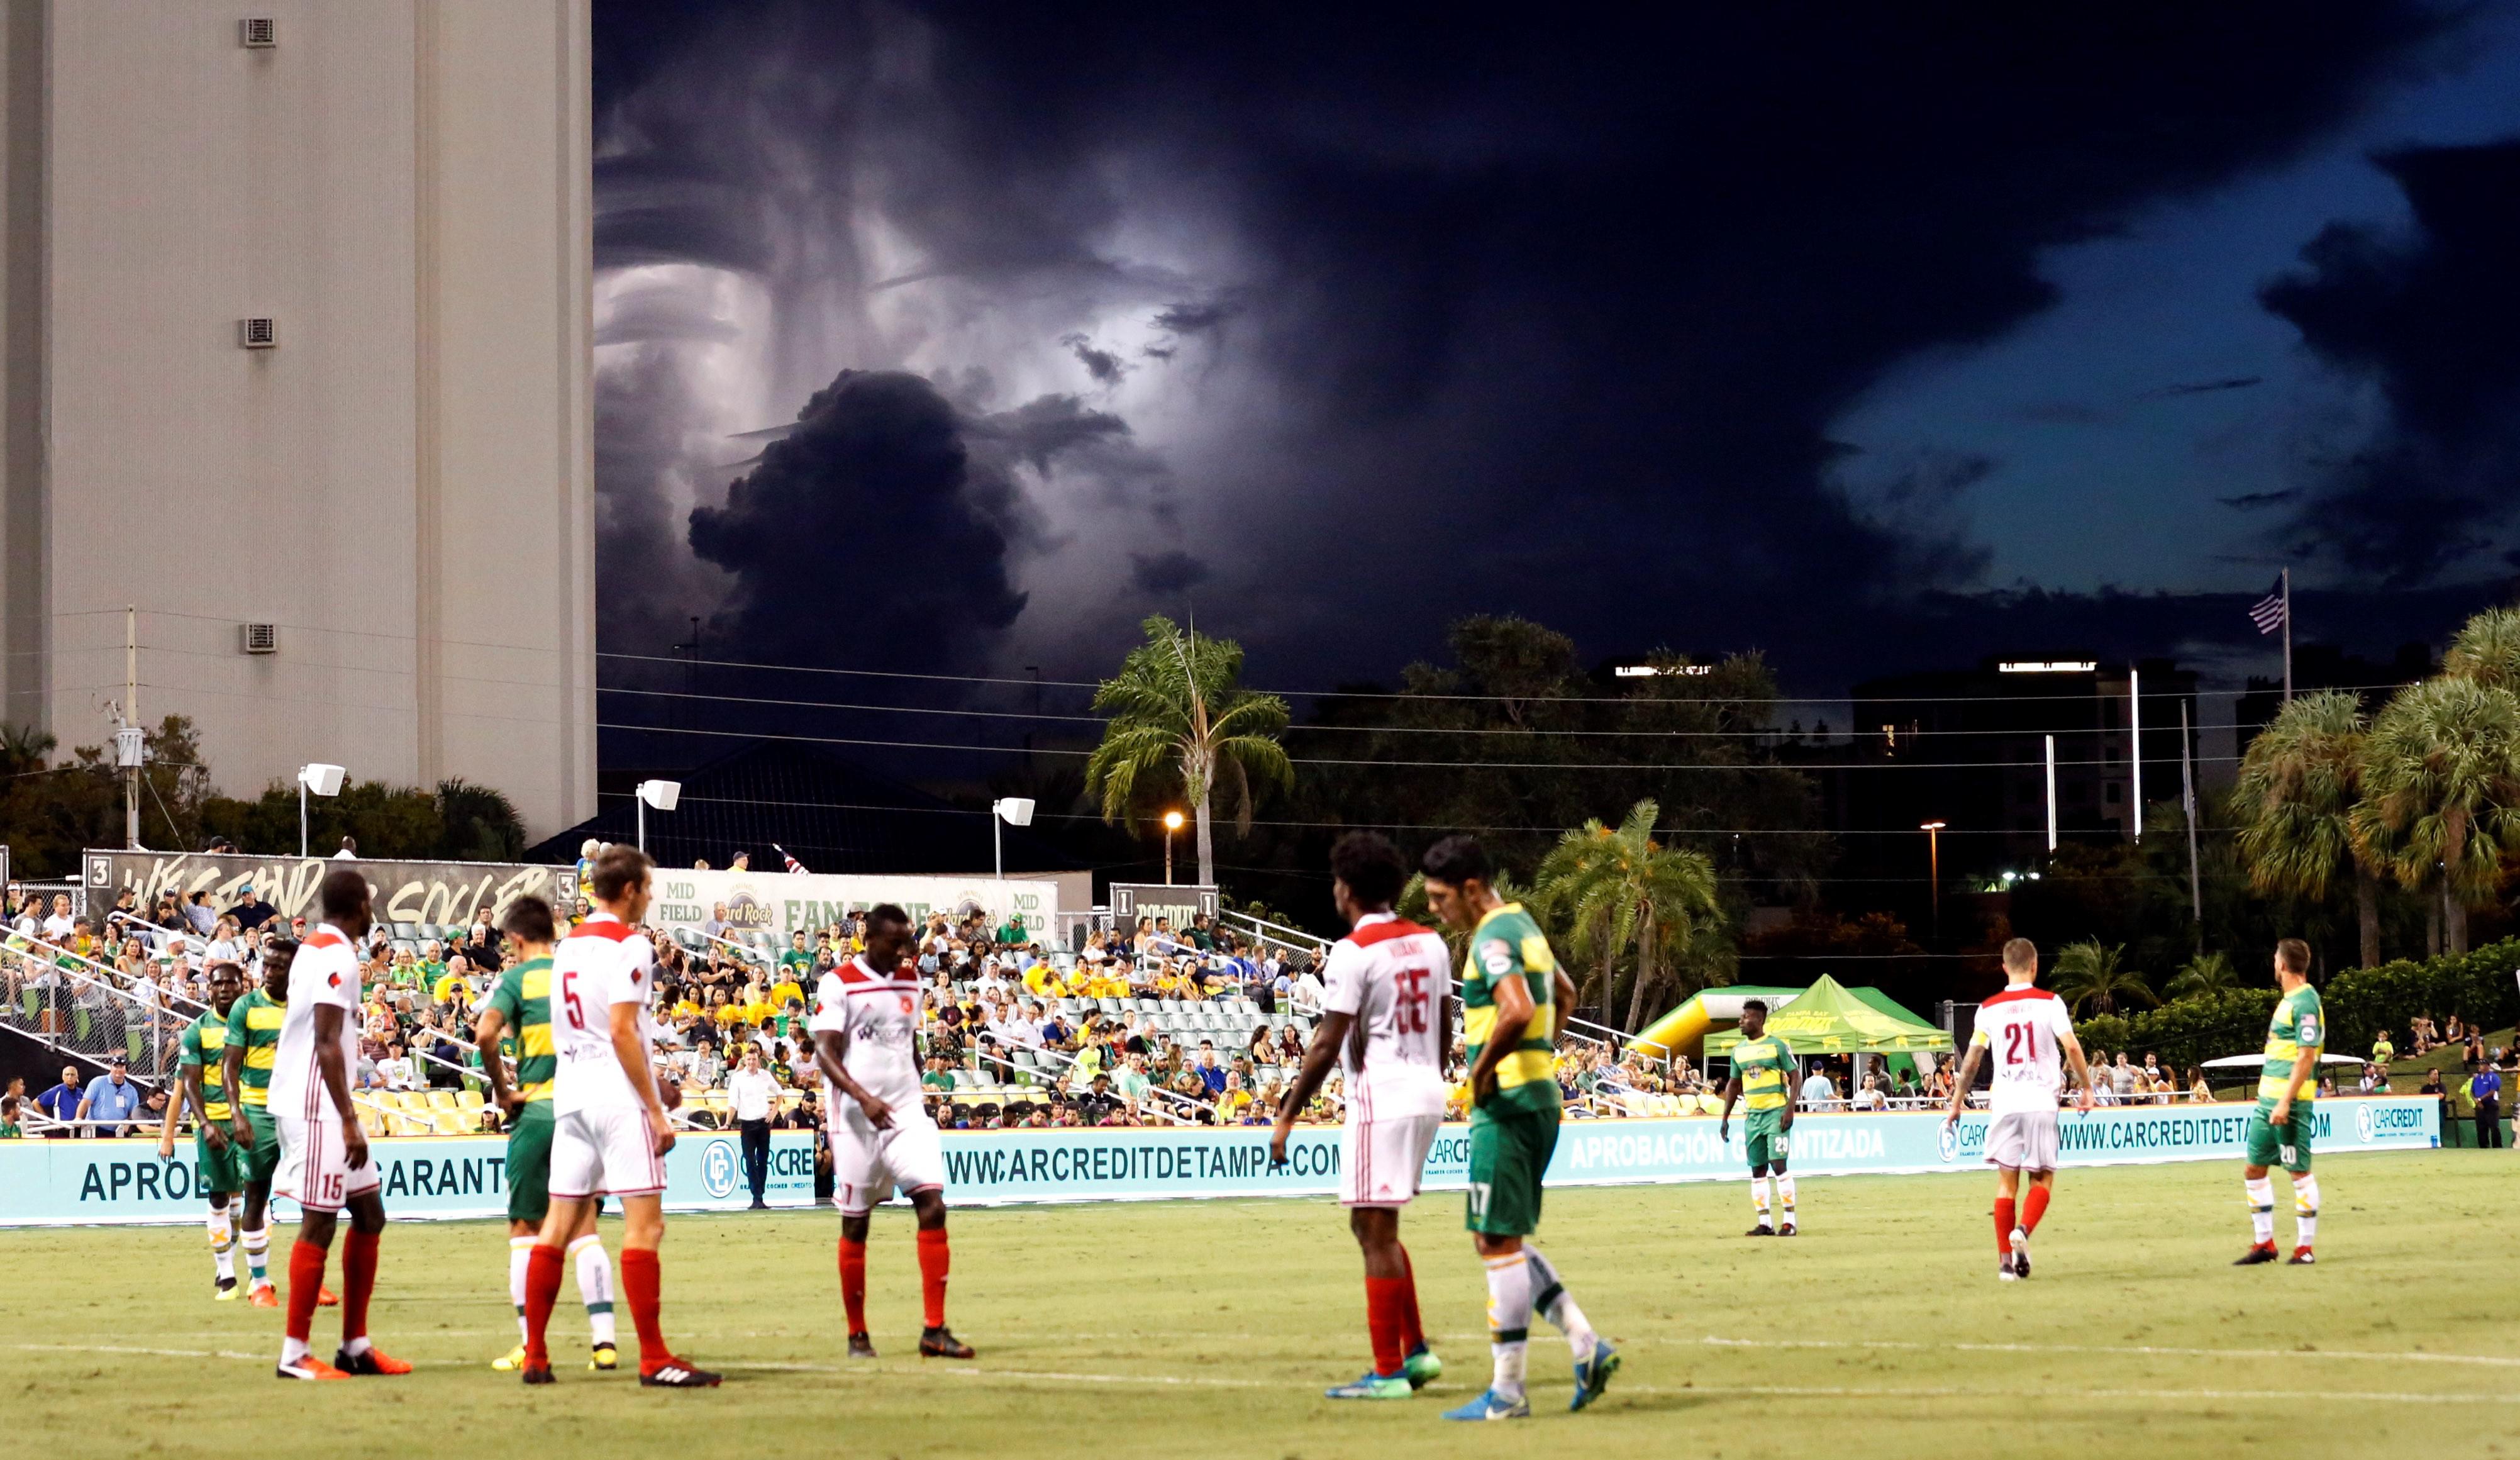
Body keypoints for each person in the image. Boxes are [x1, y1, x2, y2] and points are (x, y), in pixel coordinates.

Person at [1418, 835, 1615, 1420]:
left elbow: (1519, 1007)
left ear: (1470, 889)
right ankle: (1585, 1345)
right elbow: (1564, 992)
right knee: (1500, 1237)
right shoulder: (1524, 925)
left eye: (1437, 896)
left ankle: (1507, 1392)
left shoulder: (1493, 935)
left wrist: (1481, 1071)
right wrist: (1538, 1057)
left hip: (1504, 1104)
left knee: (1495, 1242)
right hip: (1539, 1096)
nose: (1434, 908)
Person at [518, 845, 717, 1387]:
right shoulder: (630, 945)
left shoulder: (567, 947)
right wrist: (654, 1107)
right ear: (629, 889)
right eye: (647, 887)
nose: (650, 896)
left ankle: (535, 1354)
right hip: (617, 1099)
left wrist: (657, 1084)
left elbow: (582, 1029)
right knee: (645, 1225)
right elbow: (622, 1030)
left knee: (556, 1226)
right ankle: (654, 1358)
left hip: (573, 1094)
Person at [1270, 832, 1450, 1401]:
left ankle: (1388, 1371)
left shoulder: (1352, 952)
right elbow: (1446, 1025)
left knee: (1370, 1229)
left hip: (1382, 1096)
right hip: (1427, 1091)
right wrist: (1431, 1073)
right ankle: (1416, 1352)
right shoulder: (1430, 943)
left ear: (1345, 889)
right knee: (1382, 1227)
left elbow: (1326, 1043)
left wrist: (1286, 1115)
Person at [812, 904, 976, 1361]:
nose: (903, 949)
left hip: (905, 1110)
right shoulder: (838, 981)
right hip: (855, 1118)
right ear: (869, 938)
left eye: (907, 940)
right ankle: (857, 1333)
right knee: (856, 1223)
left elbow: (905, 1042)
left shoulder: (910, 980)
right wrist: (862, 1096)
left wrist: (918, 1080)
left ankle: (934, 1329)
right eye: (895, 941)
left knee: (932, 1204)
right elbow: (824, 1051)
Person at [266, 867, 407, 1379]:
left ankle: (355, 1345)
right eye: (369, 903)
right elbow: (327, 1040)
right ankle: (294, 1353)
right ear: (359, 907)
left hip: (320, 1100)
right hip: (316, 1104)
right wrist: (348, 1119)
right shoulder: (338, 955)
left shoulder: (313, 946)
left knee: (369, 1213)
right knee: (320, 1219)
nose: (373, 911)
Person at [473, 896, 620, 1374]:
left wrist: (502, 1089)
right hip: (584, 1111)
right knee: (584, 1228)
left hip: (537, 1111)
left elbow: (483, 1035)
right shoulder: (575, 974)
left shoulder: (516, 979)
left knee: (525, 1231)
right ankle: (604, 1344)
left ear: (516, 940)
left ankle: (528, 1342)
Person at [1943, 939, 2094, 1281]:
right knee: (2042, 1178)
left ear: (2004, 967)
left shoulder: (1988, 1009)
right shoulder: (2050, 1003)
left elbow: (1971, 1061)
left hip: (2005, 1104)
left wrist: (1956, 1103)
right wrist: (2086, 1087)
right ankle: (2023, 1232)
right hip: (2041, 1101)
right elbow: (2071, 1045)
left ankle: (2005, 1264)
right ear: (2035, 965)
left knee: (2005, 1183)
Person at [223, 940, 319, 1308]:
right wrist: (237, 1113)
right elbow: (230, 1065)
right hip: (259, 1110)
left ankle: (311, 1277)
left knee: (314, 1199)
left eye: (278, 966)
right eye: (266, 965)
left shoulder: (308, 1007)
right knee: (257, 1194)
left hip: (299, 1111)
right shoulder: (246, 1007)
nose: (269, 972)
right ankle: (259, 1282)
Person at [157, 960, 249, 1298]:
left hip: (248, 1122)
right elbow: (182, 1089)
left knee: (245, 1202)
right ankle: (226, 1274)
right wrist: (168, 1135)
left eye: (232, 984)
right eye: (218, 984)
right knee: (219, 1197)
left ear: (243, 987)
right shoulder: (197, 1030)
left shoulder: (252, 1029)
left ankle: (239, 1264)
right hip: (211, 1124)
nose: (225, 989)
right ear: (209, 989)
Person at [2237, 938, 2324, 1267]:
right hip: (2267, 1102)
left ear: (2283, 965)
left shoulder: (2305, 1002)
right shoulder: (2290, 1000)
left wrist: (2286, 1102)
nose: (2274, 963)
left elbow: (2306, 1057)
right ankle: (2265, 1244)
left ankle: (2305, 1248)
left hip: (2290, 1105)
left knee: (2299, 1172)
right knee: (2253, 1168)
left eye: (2276, 958)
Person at [1717, 999, 1799, 1236]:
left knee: (1779, 1164)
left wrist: (1790, 1108)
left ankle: (1789, 1221)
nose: (1741, 1021)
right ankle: (1765, 1223)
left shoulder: (1777, 1046)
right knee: (1757, 1169)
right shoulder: (1739, 1050)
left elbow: (1795, 1076)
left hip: (1776, 1113)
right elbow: (1734, 1084)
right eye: (1741, 1017)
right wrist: (1725, 1117)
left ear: (1760, 1020)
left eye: (1746, 1017)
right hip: (1752, 1116)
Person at [726, 1045, 780, 1209]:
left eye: (754, 1060)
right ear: (745, 1060)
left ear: (759, 1061)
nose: (751, 1062)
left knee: (763, 1161)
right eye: (749, 1060)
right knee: (750, 1161)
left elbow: (780, 1093)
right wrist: (727, 1123)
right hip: (747, 1124)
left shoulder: (765, 1075)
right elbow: (732, 1102)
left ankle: (760, 1195)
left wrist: (774, 1112)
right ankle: (756, 1196)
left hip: (763, 1123)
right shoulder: (738, 1078)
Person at [79, 1057, 146, 1137]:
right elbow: (86, 1102)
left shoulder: (131, 1090)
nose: (118, 1070)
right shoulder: (98, 1082)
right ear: (111, 1068)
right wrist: (78, 1117)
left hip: (119, 1132)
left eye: (121, 1067)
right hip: (97, 1129)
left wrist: (128, 1122)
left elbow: (134, 1112)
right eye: (116, 1067)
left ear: (126, 1070)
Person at [2471, 1060, 2504, 1151]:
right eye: (2479, 1065)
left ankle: (2497, 1147)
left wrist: (2480, 1099)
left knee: (2494, 1127)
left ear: (2487, 1066)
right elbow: (2472, 1091)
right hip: (2480, 1105)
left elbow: (2492, 1092)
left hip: (2491, 1105)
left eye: (2481, 1065)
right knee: (2481, 1127)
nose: (2479, 1067)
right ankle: (2483, 1147)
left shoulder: (2493, 1077)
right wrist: (2476, 1100)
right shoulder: (2477, 1078)